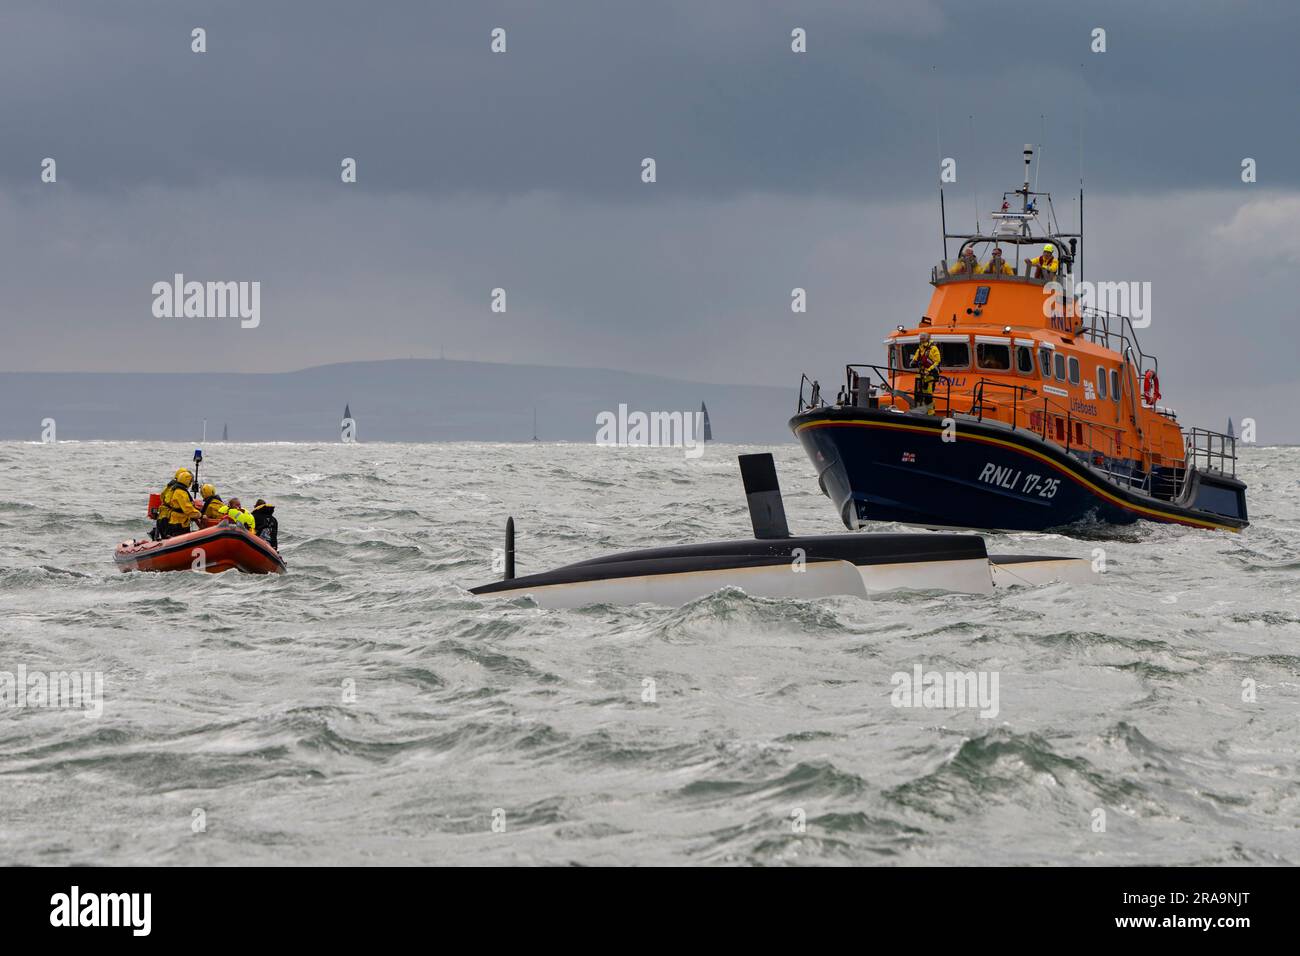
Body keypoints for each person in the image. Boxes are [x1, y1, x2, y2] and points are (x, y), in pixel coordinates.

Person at [911, 332, 942, 415]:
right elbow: (914, 360)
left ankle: (931, 413)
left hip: (929, 376)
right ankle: (919, 411)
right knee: (917, 394)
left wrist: (929, 370)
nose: (921, 339)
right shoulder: (919, 349)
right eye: (920, 337)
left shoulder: (933, 349)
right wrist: (913, 362)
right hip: (920, 375)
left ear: (927, 338)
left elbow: (937, 362)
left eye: (923, 337)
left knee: (928, 395)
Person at [165, 472, 201, 536]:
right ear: (187, 481)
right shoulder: (181, 493)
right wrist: (199, 515)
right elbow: (188, 509)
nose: (190, 484)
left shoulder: (175, 489)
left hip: (174, 521)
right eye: (190, 482)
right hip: (180, 523)